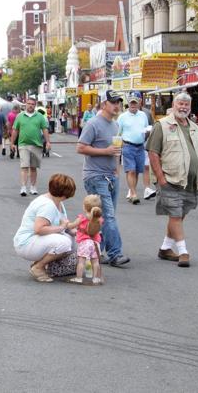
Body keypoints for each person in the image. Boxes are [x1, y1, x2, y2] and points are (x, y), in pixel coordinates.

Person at [147, 91, 198, 268]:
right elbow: (153, 153)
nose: (183, 107)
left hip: (190, 182)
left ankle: (165, 248)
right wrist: (160, 178)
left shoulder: (195, 128)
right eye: (180, 104)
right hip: (170, 179)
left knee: (179, 216)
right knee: (175, 214)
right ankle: (183, 252)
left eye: (186, 104)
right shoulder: (162, 125)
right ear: (173, 105)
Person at [76, 89, 130, 267]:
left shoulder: (115, 125)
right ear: (104, 104)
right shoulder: (93, 123)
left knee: (105, 217)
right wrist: (105, 151)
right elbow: (80, 147)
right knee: (108, 215)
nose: (117, 106)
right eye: (113, 102)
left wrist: (117, 170)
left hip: (111, 176)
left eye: (118, 102)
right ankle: (115, 253)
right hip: (95, 175)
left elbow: (116, 151)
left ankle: (97, 251)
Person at [13, 173, 77, 282]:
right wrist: (61, 228)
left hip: (35, 240)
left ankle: (44, 264)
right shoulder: (47, 205)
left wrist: (78, 231)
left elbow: (64, 224)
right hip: (26, 243)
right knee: (65, 242)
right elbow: (39, 229)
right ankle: (38, 267)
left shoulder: (57, 202)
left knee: (73, 240)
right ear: (63, 193)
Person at [11, 98, 51, 197]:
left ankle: (33, 187)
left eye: (32, 104)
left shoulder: (40, 116)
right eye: (29, 103)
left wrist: (48, 142)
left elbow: (45, 129)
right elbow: (15, 130)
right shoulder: (20, 116)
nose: (30, 105)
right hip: (23, 144)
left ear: (35, 105)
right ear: (25, 104)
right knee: (24, 166)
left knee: (33, 168)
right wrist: (12, 143)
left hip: (36, 145)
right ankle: (23, 187)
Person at [117, 94, 150, 204]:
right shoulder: (122, 117)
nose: (133, 105)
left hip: (140, 146)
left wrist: (147, 133)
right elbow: (117, 132)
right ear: (128, 104)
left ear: (139, 104)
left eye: (135, 103)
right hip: (127, 146)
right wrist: (119, 145)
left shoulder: (143, 115)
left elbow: (146, 128)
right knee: (130, 170)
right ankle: (134, 194)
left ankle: (132, 193)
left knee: (136, 171)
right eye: (131, 103)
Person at [70, 194, 104, 285]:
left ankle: (79, 278)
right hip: (95, 243)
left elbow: (71, 226)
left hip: (84, 243)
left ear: (85, 208)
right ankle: (95, 278)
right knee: (95, 261)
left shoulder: (81, 218)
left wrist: (65, 223)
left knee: (81, 261)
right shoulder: (99, 220)